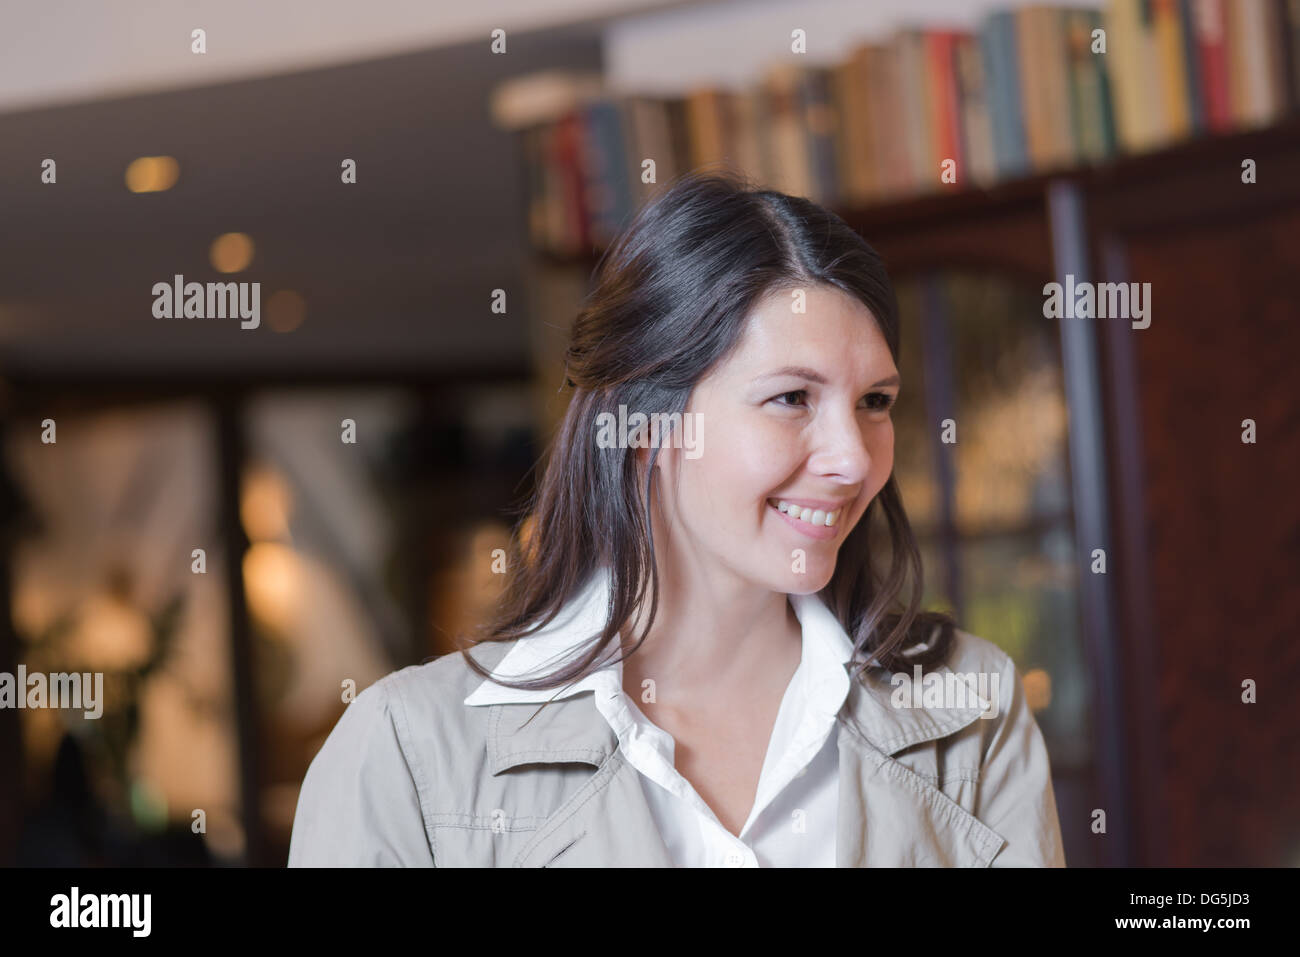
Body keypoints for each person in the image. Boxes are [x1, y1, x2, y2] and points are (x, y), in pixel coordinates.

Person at [287, 169, 1066, 867]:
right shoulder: (407, 751)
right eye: (791, 398)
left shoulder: (970, 705)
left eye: (874, 403)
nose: (854, 458)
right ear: (645, 424)